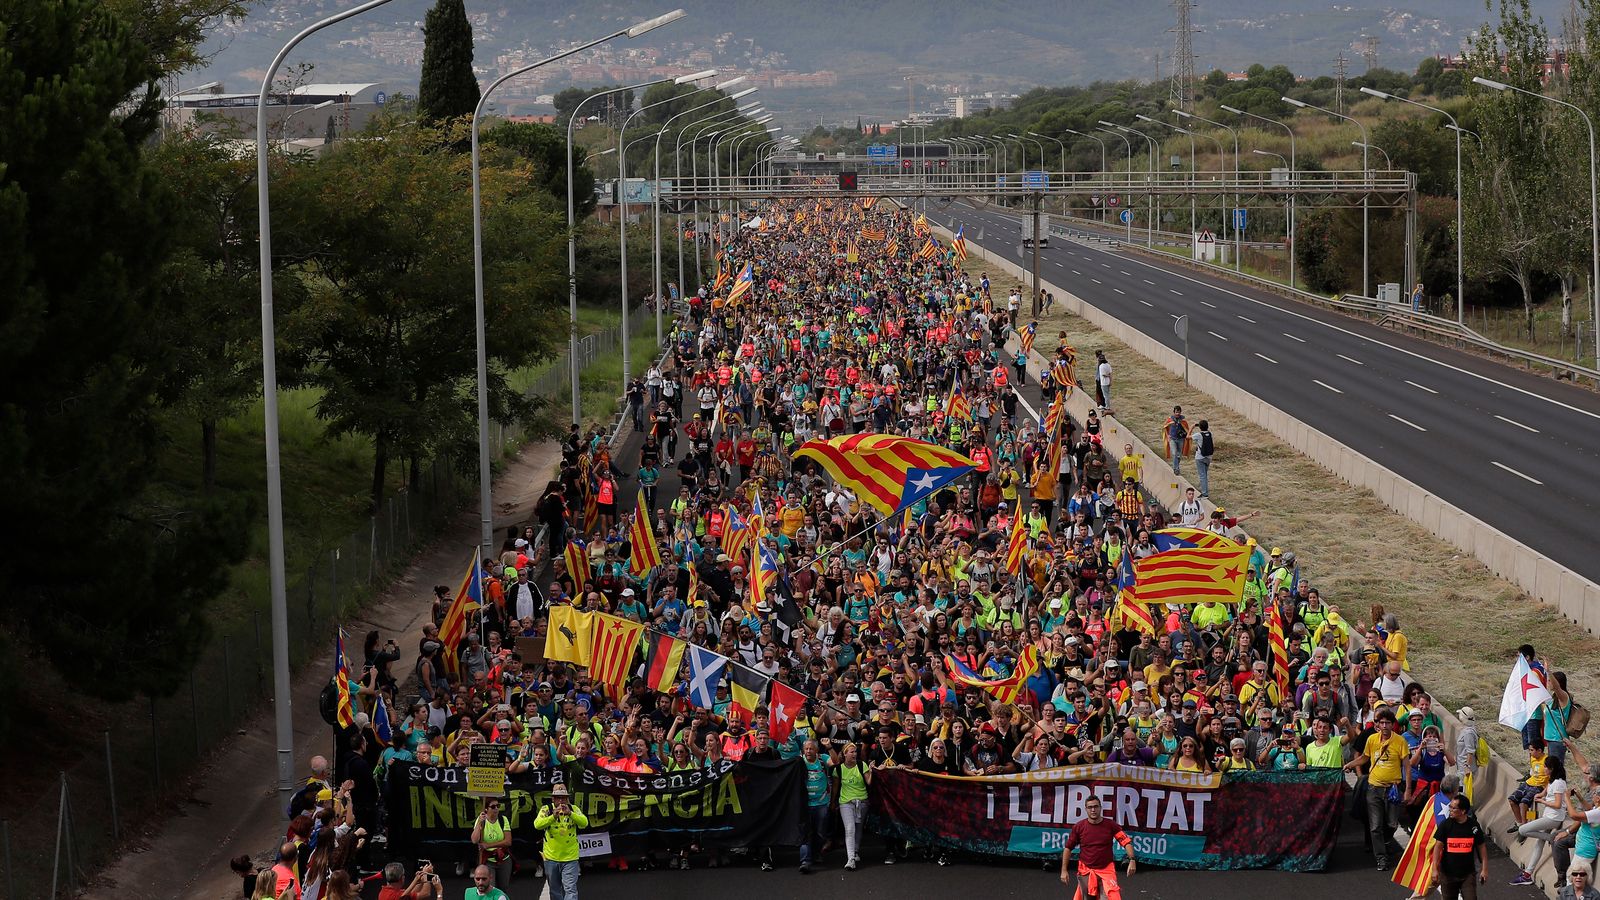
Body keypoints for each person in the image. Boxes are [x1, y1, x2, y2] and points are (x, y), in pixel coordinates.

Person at [1345, 708, 1408, 870]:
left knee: (1392, 823)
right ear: (1377, 725)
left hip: (1393, 788)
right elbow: (1365, 757)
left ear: (1392, 725)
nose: (1385, 725)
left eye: (1388, 722)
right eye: (1382, 723)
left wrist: (1407, 789)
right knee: (1375, 826)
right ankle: (1381, 857)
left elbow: (1406, 766)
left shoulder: (1400, 741)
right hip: (1374, 788)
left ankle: (1386, 841)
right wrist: (1350, 765)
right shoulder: (1372, 739)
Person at [1060, 795, 1135, 900]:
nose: (1093, 810)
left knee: (1113, 897)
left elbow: (1126, 842)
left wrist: (1132, 860)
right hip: (1086, 870)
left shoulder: (1111, 825)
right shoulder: (1079, 827)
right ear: (1086, 809)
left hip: (1106, 870)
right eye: (1090, 807)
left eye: (1096, 806)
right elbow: (1068, 848)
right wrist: (1064, 870)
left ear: (1100, 807)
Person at [1513, 756, 1569, 885]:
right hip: (1548, 816)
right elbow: (1546, 791)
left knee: (1522, 829)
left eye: (1545, 766)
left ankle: (1550, 838)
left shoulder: (1559, 783)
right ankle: (1528, 874)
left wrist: (1543, 801)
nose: (1543, 768)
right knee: (1539, 843)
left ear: (1551, 769)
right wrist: (1540, 795)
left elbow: (1558, 804)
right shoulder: (1552, 781)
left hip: (1554, 818)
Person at [1429, 794, 1487, 900]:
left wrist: (1484, 869)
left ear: (1463, 811)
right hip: (1447, 875)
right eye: (1450, 807)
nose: (1449, 809)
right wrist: (1435, 870)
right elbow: (1437, 847)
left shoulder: (1473, 826)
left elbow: (1481, 847)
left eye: (1453, 808)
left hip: (1468, 874)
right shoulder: (1445, 825)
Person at [535, 784, 588, 900]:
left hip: (570, 857)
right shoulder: (546, 809)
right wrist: (552, 817)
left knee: (570, 889)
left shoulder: (574, 808)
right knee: (555, 891)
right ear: (553, 799)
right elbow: (537, 824)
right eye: (558, 797)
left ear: (567, 799)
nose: (561, 801)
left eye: (563, 798)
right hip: (551, 857)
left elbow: (584, 823)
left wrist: (571, 814)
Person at [470, 798, 514, 891]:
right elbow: (474, 840)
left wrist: (488, 845)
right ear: (486, 809)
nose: (496, 809)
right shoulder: (481, 820)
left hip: (503, 859)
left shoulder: (503, 819)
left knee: (503, 888)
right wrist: (479, 823)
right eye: (493, 807)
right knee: (490, 889)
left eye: (498, 806)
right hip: (488, 861)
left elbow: (508, 841)